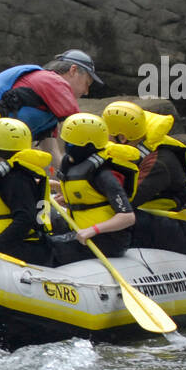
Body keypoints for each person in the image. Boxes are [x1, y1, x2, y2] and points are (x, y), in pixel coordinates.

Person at [102, 101, 186, 254]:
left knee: (106, 218)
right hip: (151, 213)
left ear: (122, 138)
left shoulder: (159, 163)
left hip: (181, 231)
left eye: (107, 137)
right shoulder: (136, 142)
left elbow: (125, 203)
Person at [0, 49, 100, 160]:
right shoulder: (53, 81)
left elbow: (51, 152)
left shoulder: (48, 107)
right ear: (73, 70)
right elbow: (82, 128)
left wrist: (64, 180)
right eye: (87, 83)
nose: (86, 92)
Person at [50, 113, 139, 264]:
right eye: (66, 143)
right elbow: (89, 195)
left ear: (88, 147)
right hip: (79, 229)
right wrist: (56, 188)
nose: (67, 148)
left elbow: (128, 217)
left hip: (107, 240)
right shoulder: (74, 164)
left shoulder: (103, 175)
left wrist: (93, 230)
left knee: (47, 248)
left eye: (71, 145)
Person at [0, 118, 54, 266]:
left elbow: (25, 219)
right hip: (7, 246)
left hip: (25, 249)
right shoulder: (7, 176)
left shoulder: (15, 178)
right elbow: (1, 220)